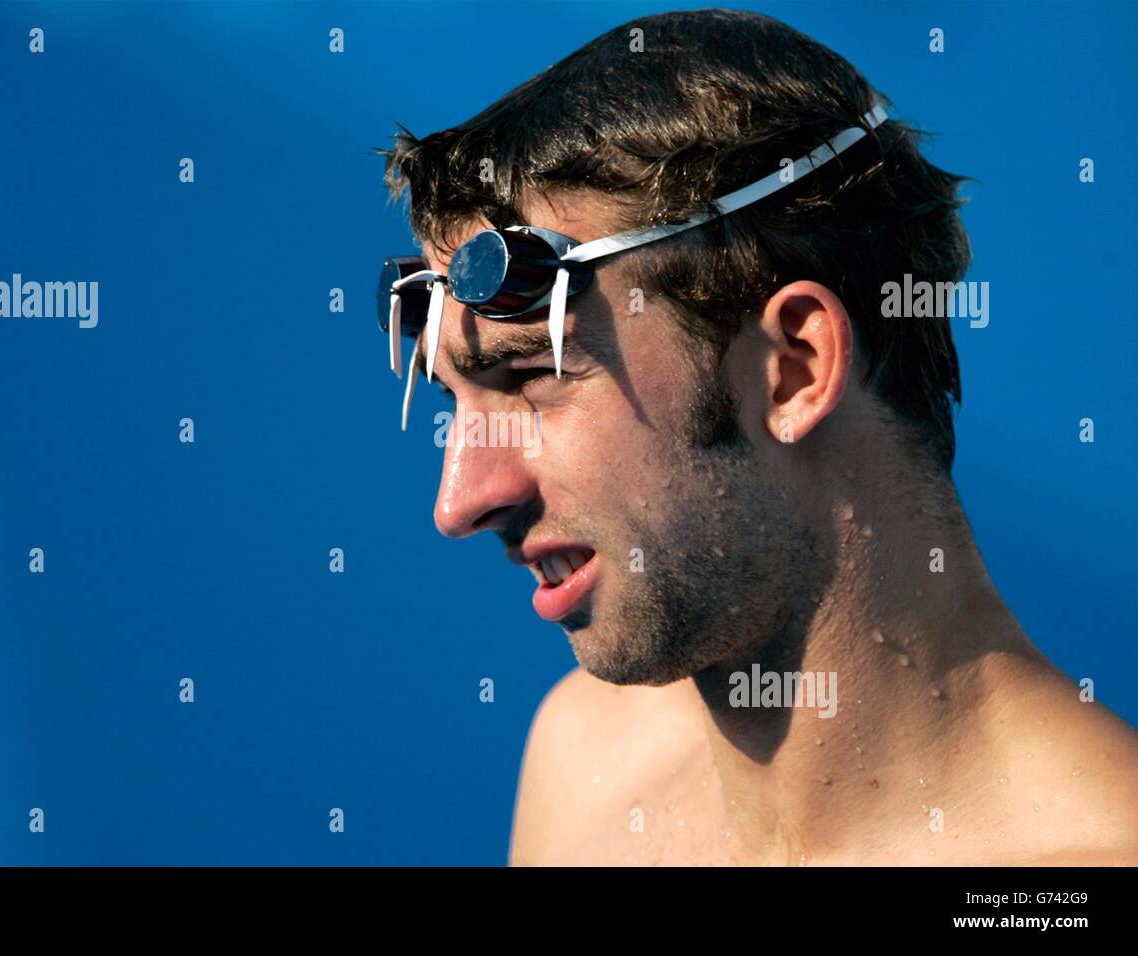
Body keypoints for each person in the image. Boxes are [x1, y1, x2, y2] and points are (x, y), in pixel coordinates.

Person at [375, 8, 1138, 865]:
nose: (460, 502)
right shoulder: (587, 770)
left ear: (793, 369)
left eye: (532, 377)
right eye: (456, 400)